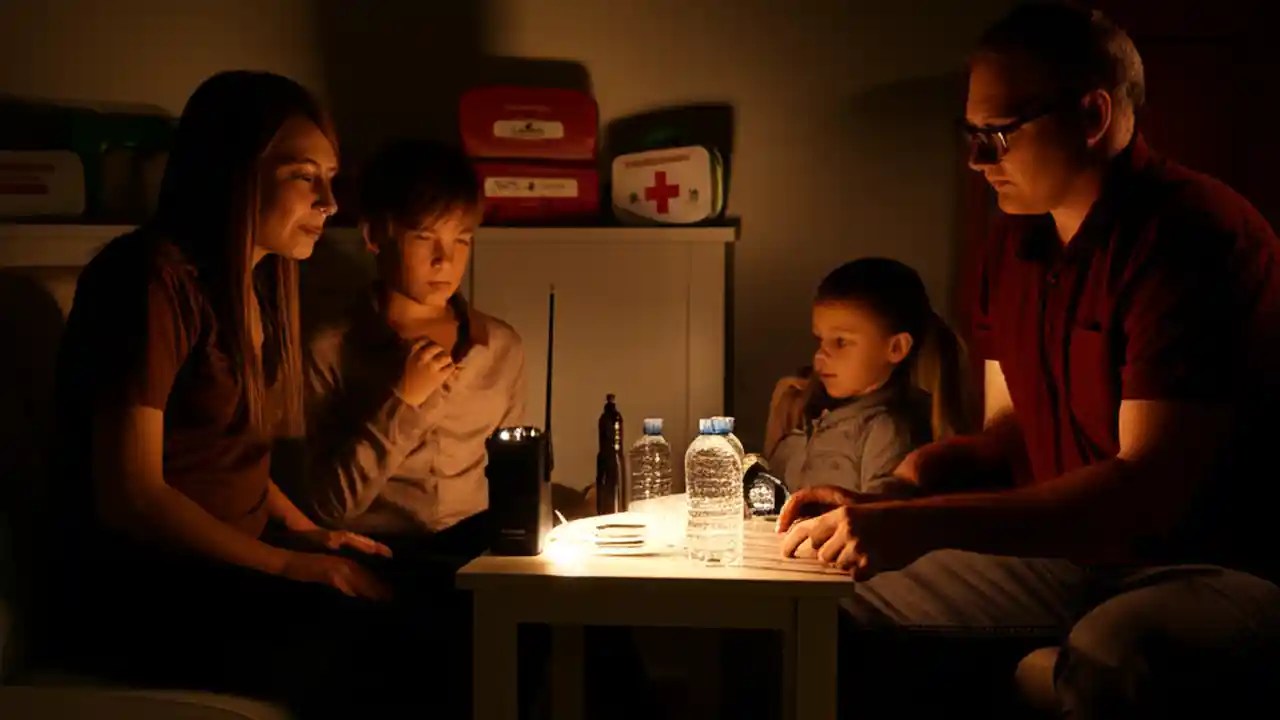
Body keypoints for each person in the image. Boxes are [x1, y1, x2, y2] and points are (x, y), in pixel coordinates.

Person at [777, 4, 1280, 717]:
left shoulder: (1193, 240)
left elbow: (1145, 492)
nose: (979, 160)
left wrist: (924, 525)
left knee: (1118, 657)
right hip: (1066, 558)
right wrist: (901, 490)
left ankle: (1057, 676)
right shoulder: (1012, 249)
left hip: (1206, 564)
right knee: (823, 612)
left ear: (1092, 115)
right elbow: (1009, 435)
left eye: (1001, 135)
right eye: (972, 134)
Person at [40, 70, 419, 716]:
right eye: (306, 176)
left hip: (239, 570)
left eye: (331, 180)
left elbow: (228, 449)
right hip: (157, 593)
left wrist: (308, 533)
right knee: (405, 643)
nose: (330, 203)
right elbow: (132, 493)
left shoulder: (258, 285)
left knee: (465, 591)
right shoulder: (149, 280)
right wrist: (284, 567)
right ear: (235, 169)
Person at [287, 137, 525, 588]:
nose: (446, 259)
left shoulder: (499, 347)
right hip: (378, 556)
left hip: (478, 552)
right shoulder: (330, 348)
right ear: (376, 235)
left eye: (461, 240)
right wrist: (403, 401)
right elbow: (330, 505)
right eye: (424, 237)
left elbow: (512, 480)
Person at [762, 257, 972, 497]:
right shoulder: (811, 412)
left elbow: (881, 519)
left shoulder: (886, 431)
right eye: (820, 340)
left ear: (896, 348)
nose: (820, 356)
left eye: (841, 342)